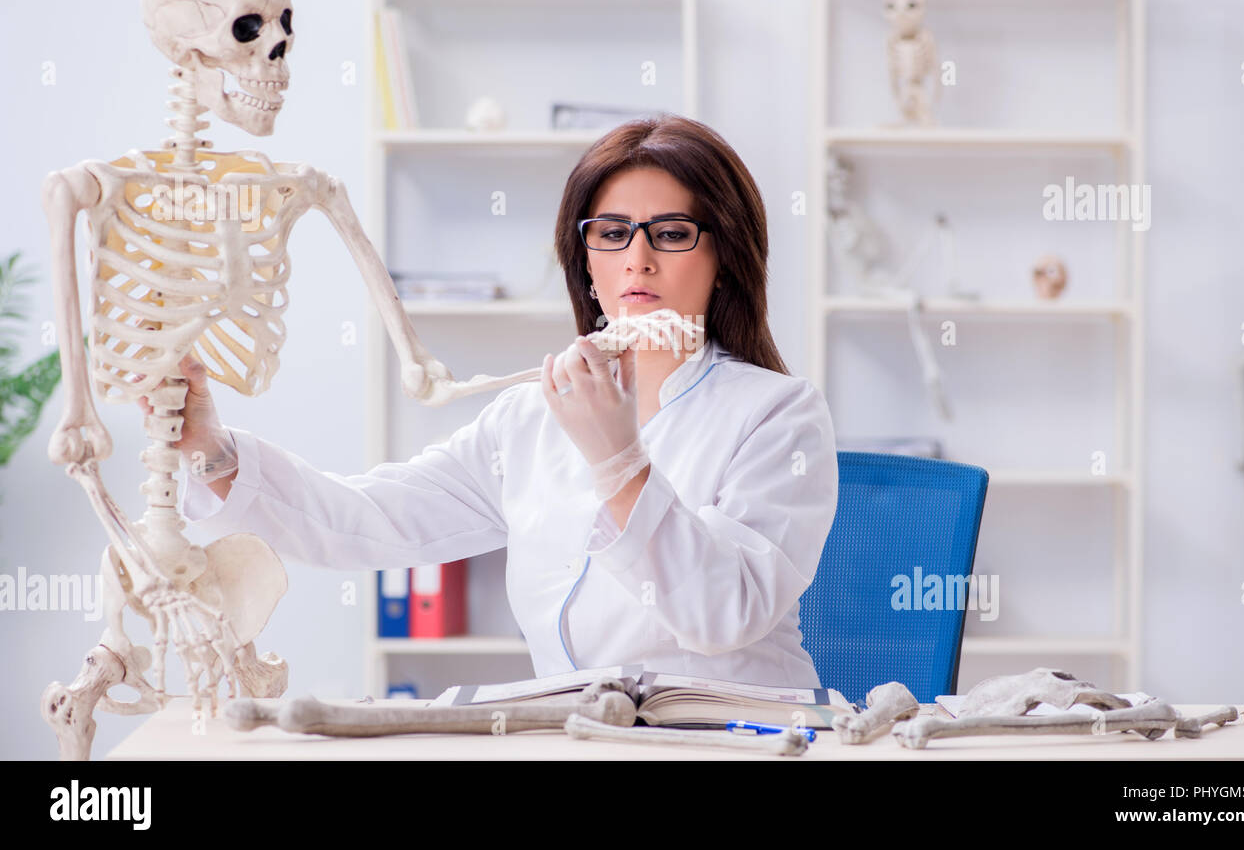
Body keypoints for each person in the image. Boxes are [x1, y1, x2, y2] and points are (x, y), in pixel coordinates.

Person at [145, 114, 839, 688]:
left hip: (742, 743)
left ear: (725, 260)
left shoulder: (780, 416)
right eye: (611, 232)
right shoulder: (529, 419)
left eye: (672, 232)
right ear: (587, 265)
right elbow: (369, 519)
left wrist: (619, 460)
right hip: (582, 740)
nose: (638, 258)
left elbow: (726, 612)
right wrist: (212, 453)